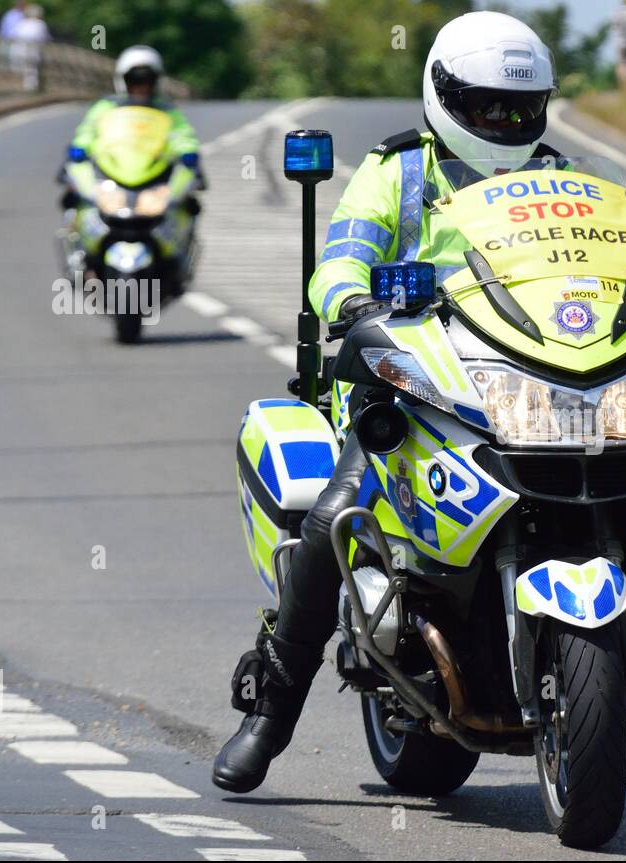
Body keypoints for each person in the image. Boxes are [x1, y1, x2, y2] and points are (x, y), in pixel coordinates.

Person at [212, 10, 568, 794]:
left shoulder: (563, 181)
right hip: (412, 388)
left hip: (528, 392)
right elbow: (341, 258)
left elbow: (619, 269)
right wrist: (350, 302)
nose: (506, 122)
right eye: (487, 105)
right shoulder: (399, 171)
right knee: (335, 517)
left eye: (521, 106)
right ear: (445, 96)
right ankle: (268, 717)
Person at [68, 45, 198, 163]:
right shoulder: (106, 106)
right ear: (124, 80)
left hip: (155, 166)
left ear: (156, 81)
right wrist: (81, 146)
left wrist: (186, 150)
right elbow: (89, 130)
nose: (141, 86)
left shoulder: (166, 110)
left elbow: (181, 134)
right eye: (134, 80)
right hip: (113, 165)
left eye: (147, 80)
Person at [7, 4, 48, 92]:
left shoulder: (22, 22)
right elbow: (45, 38)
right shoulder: (40, 24)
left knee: (24, 69)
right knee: (31, 69)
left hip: (18, 47)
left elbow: (12, 34)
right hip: (31, 49)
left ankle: (24, 88)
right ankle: (30, 89)